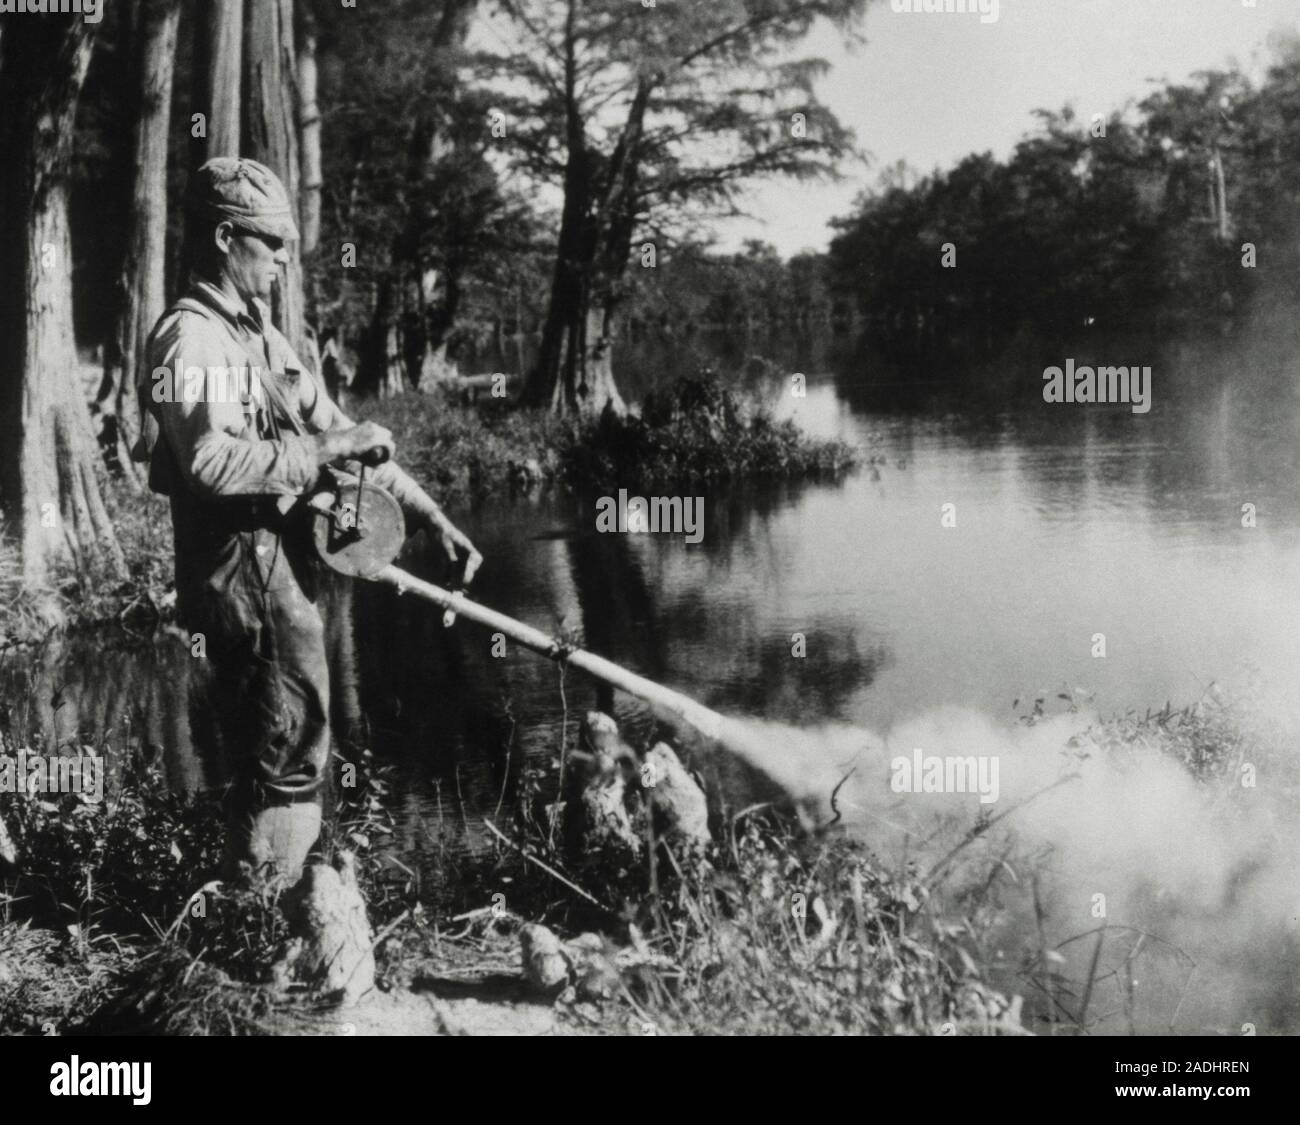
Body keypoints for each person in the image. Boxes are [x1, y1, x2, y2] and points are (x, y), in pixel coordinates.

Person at [138, 157, 481, 883]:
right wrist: (327, 449)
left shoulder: (260, 335)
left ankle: (280, 915)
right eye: (274, 244)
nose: (286, 260)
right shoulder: (190, 337)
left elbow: (340, 428)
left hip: (280, 575)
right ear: (227, 238)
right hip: (241, 583)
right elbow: (209, 461)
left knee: (296, 744)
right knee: (283, 753)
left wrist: (429, 514)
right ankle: (265, 932)